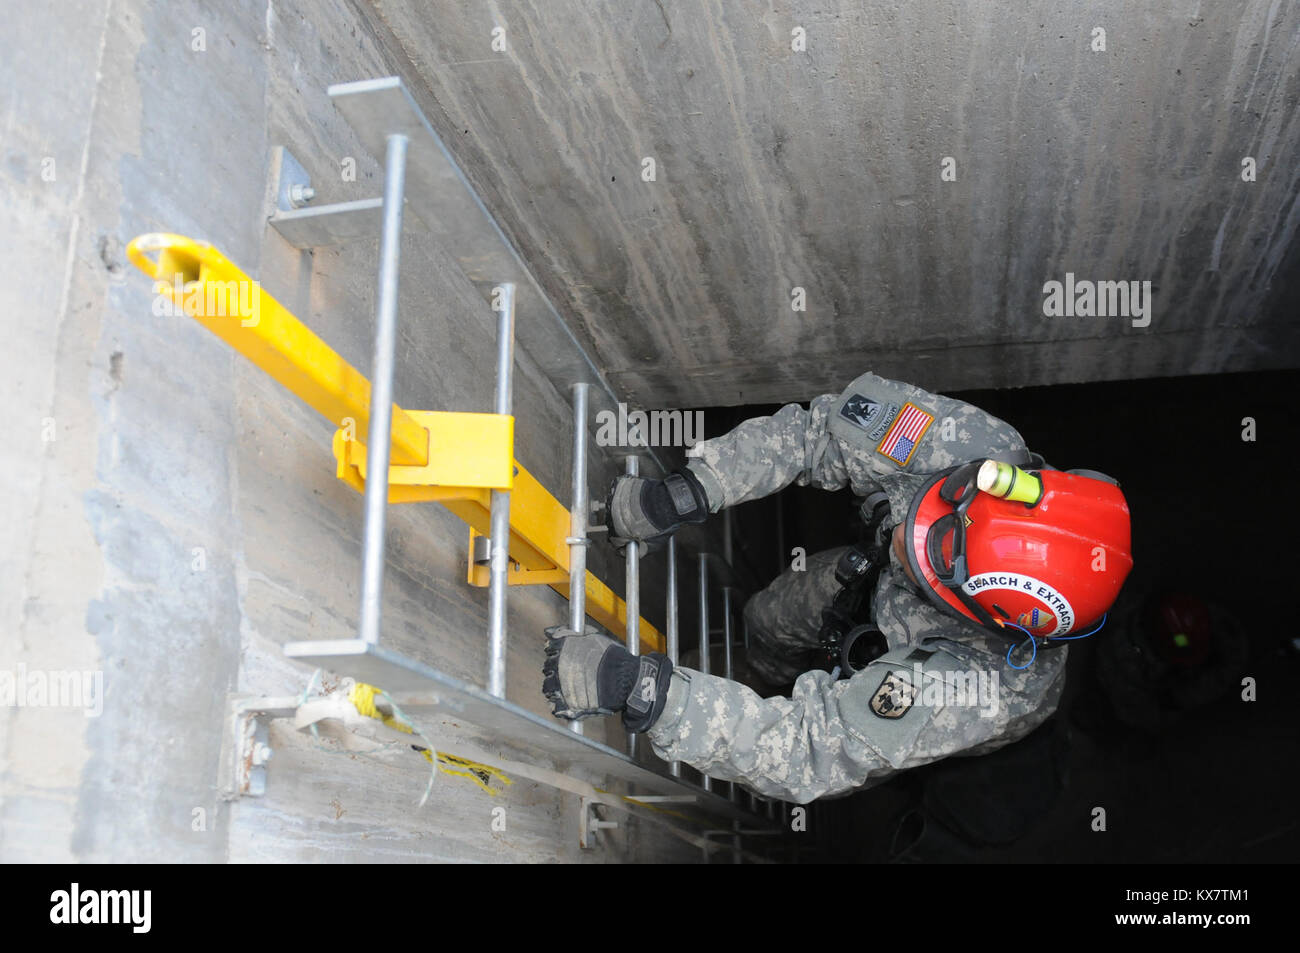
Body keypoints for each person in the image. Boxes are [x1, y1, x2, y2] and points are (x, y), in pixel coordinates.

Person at [542, 370, 1133, 803]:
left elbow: (811, 750)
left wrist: (642, 691)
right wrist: (691, 491)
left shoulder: (987, 689)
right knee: (768, 616)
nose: (905, 533)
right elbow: (819, 434)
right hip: (869, 579)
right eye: (932, 514)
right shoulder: (977, 449)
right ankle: (749, 670)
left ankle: (701, 694)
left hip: (921, 667)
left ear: (990, 616)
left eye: (933, 556)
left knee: (855, 754)